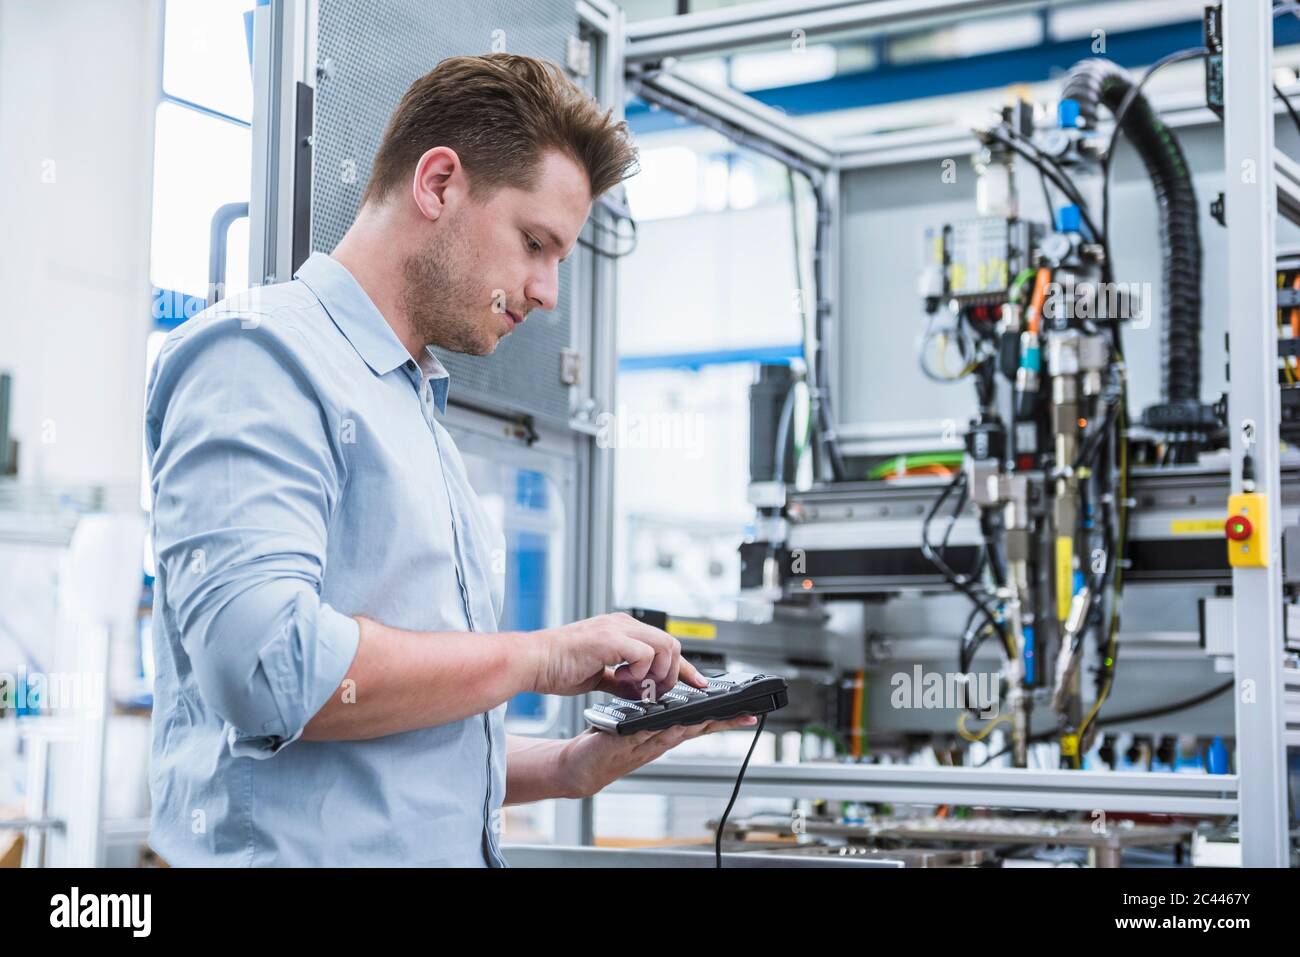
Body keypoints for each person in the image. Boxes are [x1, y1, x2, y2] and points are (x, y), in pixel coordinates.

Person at [144, 53, 755, 867]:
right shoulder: (260, 358)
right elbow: (266, 668)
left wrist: (568, 769)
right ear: (438, 183)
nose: (548, 293)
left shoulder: (416, 408)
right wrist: (539, 656)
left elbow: (390, 765)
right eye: (535, 243)